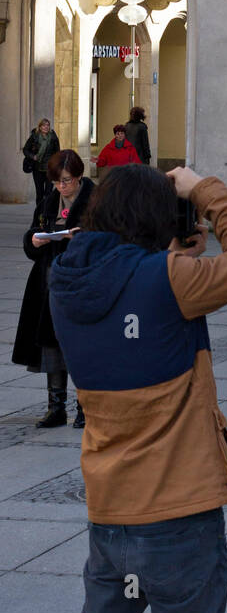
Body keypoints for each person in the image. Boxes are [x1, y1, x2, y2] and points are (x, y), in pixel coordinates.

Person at [50, 161, 227, 613]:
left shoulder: (65, 280)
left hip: (110, 512)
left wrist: (173, 255)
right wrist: (204, 190)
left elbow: (130, 291)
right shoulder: (171, 279)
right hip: (179, 514)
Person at [12, 150, 95, 429]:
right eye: (58, 181)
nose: (62, 186)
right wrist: (33, 241)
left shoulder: (96, 200)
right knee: (51, 344)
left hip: (82, 282)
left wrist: (83, 238)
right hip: (48, 282)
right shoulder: (49, 199)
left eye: (67, 181)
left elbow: (110, 237)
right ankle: (56, 407)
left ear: (80, 177)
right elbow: (34, 231)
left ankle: (85, 408)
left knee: (82, 347)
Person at [22, 117, 60, 204]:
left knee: (48, 193)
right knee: (39, 193)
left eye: (47, 125)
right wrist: (32, 156)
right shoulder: (34, 136)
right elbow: (25, 149)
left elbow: (58, 152)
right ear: (40, 127)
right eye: (44, 125)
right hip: (37, 169)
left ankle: (47, 213)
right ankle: (39, 214)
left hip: (49, 169)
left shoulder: (53, 137)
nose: (46, 127)